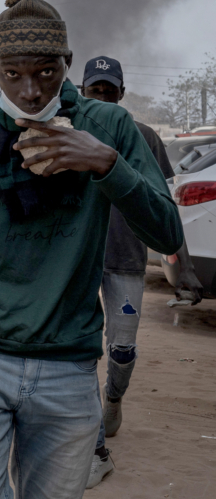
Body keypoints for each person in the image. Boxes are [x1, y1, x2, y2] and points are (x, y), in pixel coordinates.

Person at [0, 0, 183, 498]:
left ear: (67, 63)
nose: (30, 91)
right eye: (13, 74)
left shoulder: (109, 127)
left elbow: (167, 234)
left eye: (47, 73)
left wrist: (106, 164)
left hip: (67, 363)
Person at [79, 56, 200, 488]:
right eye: (96, 90)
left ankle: (114, 397)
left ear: (122, 94)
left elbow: (164, 206)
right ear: (83, 91)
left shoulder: (143, 137)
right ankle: (95, 449)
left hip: (126, 259)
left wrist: (184, 266)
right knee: (80, 352)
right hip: (78, 261)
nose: (103, 97)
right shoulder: (67, 132)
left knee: (122, 349)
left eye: (110, 91)